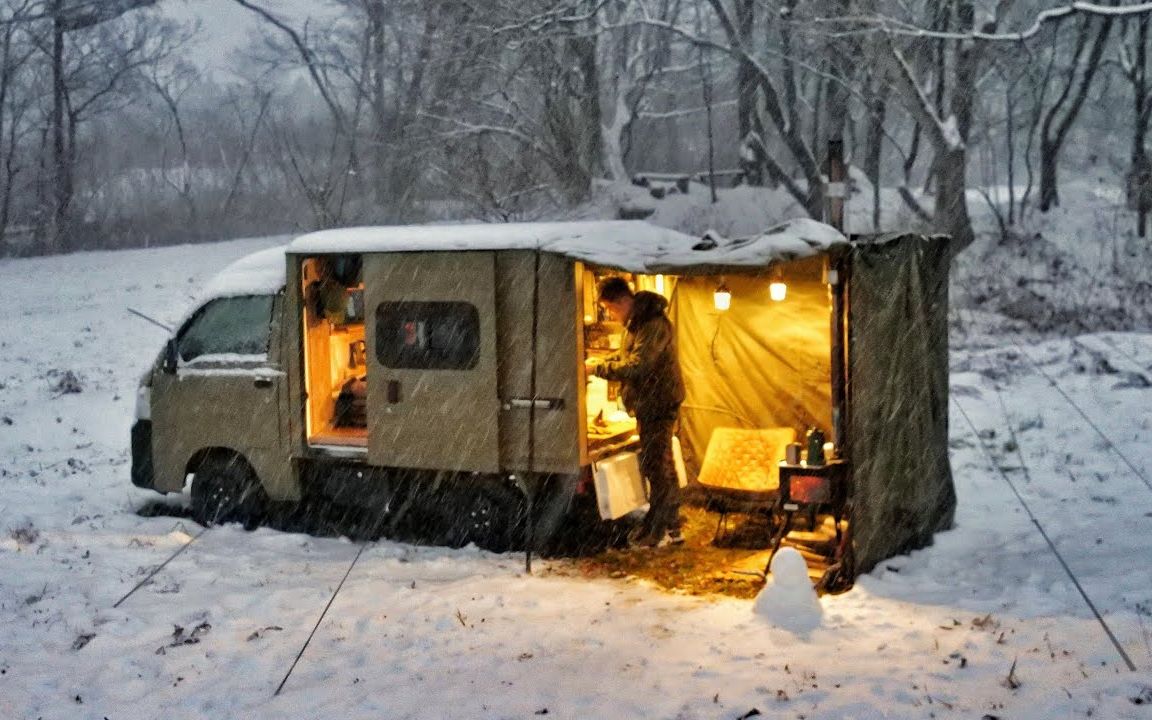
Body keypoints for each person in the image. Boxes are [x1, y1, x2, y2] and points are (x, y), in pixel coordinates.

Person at [587, 277, 686, 547]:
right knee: (660, 462)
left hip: (659, 403)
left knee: (656, 465)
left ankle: (655, 530)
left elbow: (638, 366)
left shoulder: (652, 325)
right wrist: (600, 362)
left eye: (610, 309)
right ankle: (672, 526)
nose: (610, 314)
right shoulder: (637, 325)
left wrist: (596, 369)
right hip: (651, 402)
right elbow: (624, 359)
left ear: (622, 301)